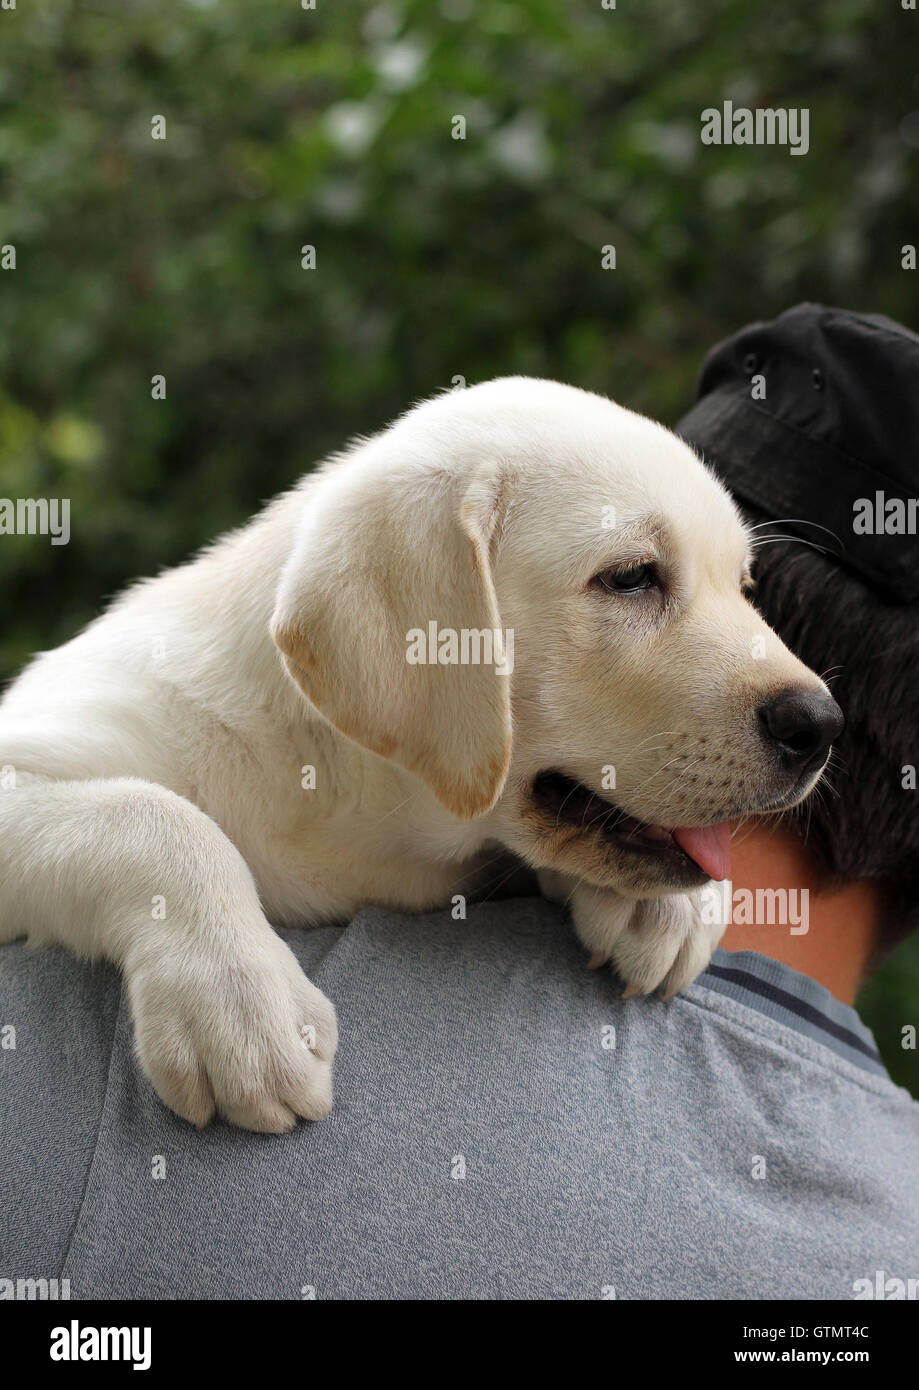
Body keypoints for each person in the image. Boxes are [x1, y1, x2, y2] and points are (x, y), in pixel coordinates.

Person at [1, 303, 917, 1301]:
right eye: (634, 579)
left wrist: (624, 842)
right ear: (424, 608)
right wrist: (163, 882)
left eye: (738, 587)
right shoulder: (154, 706)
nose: (785, 681)